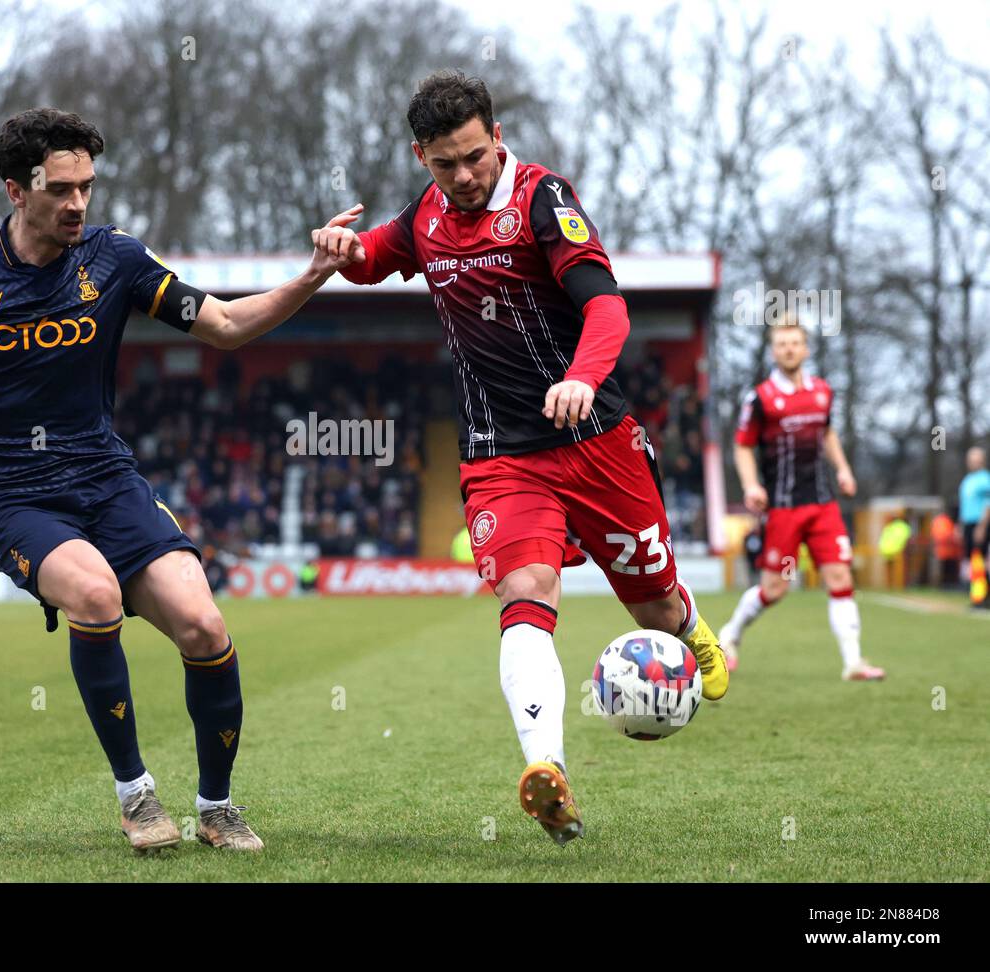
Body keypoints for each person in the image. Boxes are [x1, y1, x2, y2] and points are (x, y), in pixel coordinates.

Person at [0, 108, 359, 854]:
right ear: (14, 190)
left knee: (206, 627)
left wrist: (313, 275)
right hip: (9, 495)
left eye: (87, 187)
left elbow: (223, 325)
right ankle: (136, 796)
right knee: (95, 594)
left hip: (105, 479)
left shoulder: (115, 259)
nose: (78, 204)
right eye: (61, 189)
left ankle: (217, 807)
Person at [330, 71, 729, 846]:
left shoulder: (544, 200)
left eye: (476, 156)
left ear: (497, 137)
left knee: (650, 605)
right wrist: (342, 246)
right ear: (422, 157)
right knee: (527, 587)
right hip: (501, 453)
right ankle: (548, 774)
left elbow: (606, 306)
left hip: (597, 443)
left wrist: (582, 376)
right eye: (446, 163)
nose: (466, 175)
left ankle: (690, 624)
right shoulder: (428, 217)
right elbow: (372, 260)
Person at [719, 317, 885, 680]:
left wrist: (842, 469)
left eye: (795, 343)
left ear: (806, 348)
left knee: (840, 576)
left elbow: (827, 433)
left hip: (823, 503)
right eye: (782, 344)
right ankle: (730, 635)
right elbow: (743, 446)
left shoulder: (823, 391)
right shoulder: (760, 398)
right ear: (774, 350)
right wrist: (751, 486)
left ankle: (853, 663)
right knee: (775, 589)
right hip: (783, 506)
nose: (789, 349)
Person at [957, 446, 990, 608]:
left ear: (982, 460)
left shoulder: (985, 480)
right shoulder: (968, 480)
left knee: (980, 559)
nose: (972, 461)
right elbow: (965, 505)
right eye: (970, 458)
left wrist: (982, 526)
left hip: (980, 523)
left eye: (976, 458)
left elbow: (987, 504)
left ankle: (982, 597)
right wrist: (960, 525)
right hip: (969, 524)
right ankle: (977, 595)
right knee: (973, 560)